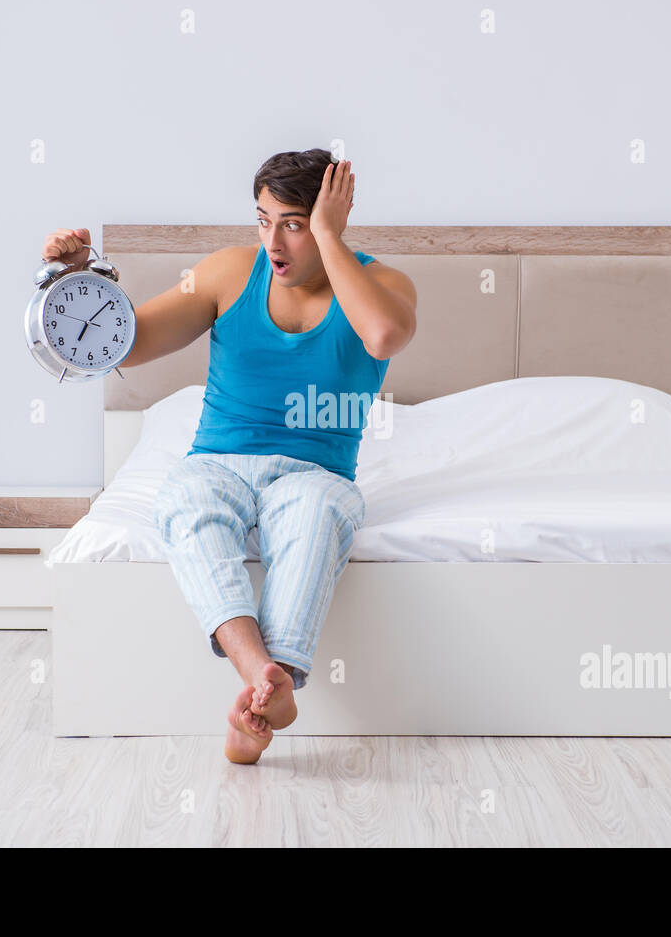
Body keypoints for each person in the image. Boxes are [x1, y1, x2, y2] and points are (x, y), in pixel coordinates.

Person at [42, 149, 417, 763]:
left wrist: (327, 234)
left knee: (313, 511)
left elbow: (382, 336)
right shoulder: (228, 273)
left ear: (334, 218)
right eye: (263, 220)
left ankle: (258, 703)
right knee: (187, 503)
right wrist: (78, 280)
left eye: (293, 223)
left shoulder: (385, 286)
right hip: (217, 463)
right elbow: (127, 344)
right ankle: (267, 681)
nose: (275, 242)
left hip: (316, 473)